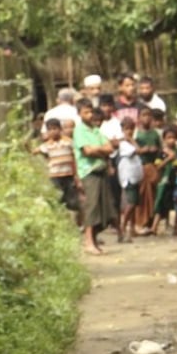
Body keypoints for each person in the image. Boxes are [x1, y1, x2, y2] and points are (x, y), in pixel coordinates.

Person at [73, 99, 117, 255]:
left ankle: (94, 239)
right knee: (92, 206)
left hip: (101, 170)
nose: (90, 115)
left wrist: (98, 150)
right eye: (86, 112)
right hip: (89, 172)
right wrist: (101, 150)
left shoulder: (95, 130)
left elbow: (110, 148)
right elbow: (87, 151)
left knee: (103, 207)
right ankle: (88, 242)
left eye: (91, 111)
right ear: (79, 114)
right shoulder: (79, 130)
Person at [31, 118, 81, 223]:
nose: (53, 132)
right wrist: (26, 146)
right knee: (58, 198)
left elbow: (75, 157)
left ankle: (75, 221)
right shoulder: (47, 145)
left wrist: (76, 174)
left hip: (68, 175)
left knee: (72, 199)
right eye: (50, 130)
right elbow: (34, 152)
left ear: (60, 129)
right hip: (55, 176)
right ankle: (62, 220)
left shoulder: (68, 142)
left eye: (55, 129)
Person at [116, 118, 144, 243]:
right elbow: (139, 150)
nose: (129, 131)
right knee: (131, 203)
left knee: (135, 203)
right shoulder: (124, 144)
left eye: (131, 129)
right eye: (127, 129)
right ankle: (122, 227)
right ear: (122, 129)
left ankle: (131, 228)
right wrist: (131, 140)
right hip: (128, 176)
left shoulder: (131, 142)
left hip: (135, 175)